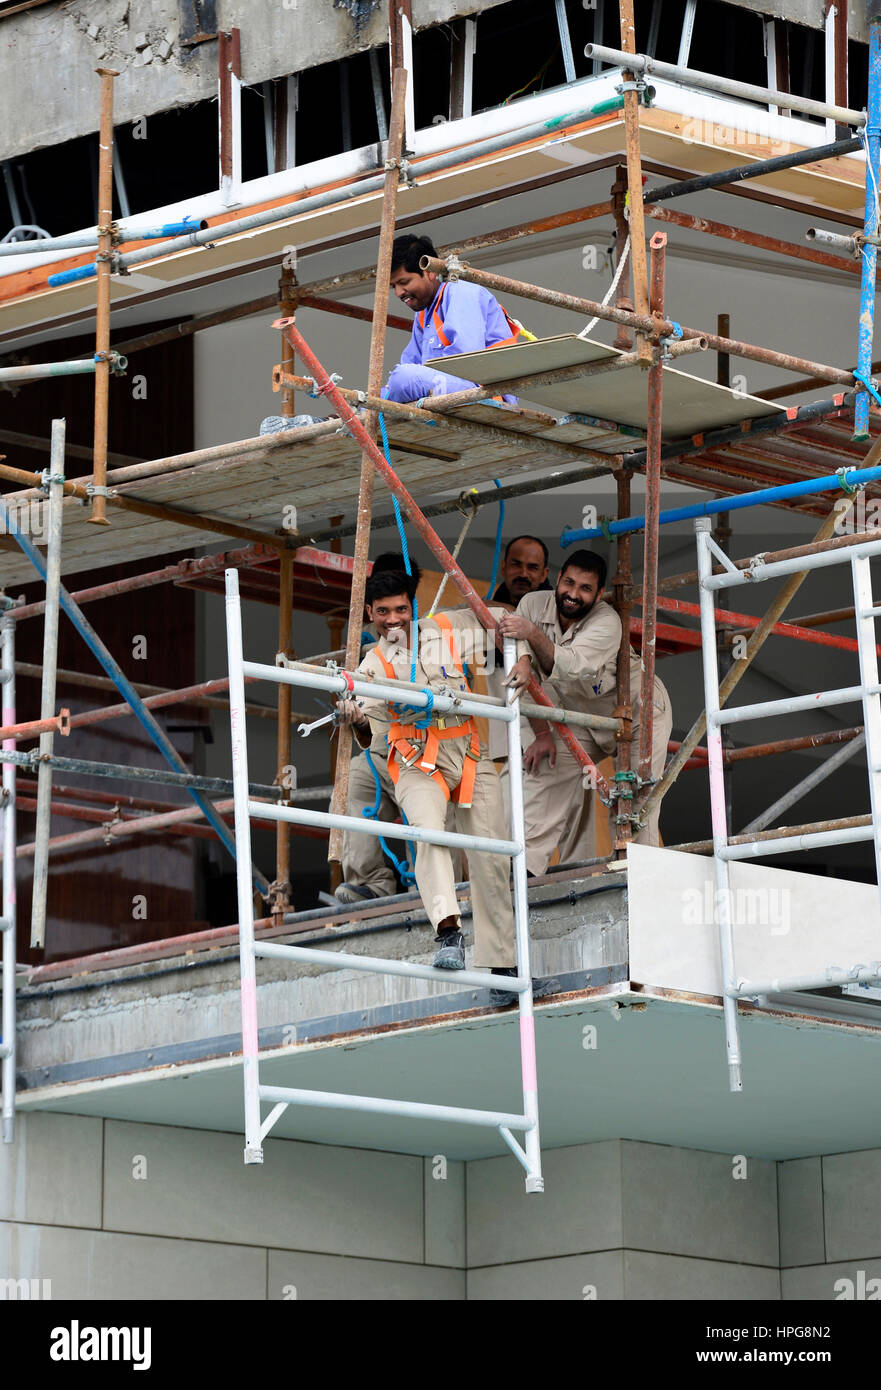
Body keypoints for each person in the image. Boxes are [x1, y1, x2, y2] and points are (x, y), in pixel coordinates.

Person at [334, 566, 532, 999]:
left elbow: (498, 622)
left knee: (491, 855)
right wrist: (354, 721)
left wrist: (521, 653)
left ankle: (502, 968)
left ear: (413, 605)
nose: (392, 620)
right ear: (369, 613)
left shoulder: (448, 626)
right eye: (382, 612)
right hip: (414, 762)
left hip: (468, 752)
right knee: (429, 835)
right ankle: (448, 932)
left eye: (400, 609)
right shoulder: (372, 665)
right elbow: (369, 731)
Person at [499, 549, 672, 876]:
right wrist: (540, 732)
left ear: (600, 593)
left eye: (585, 589)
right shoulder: (533, 605)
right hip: (580, 714)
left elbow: (570, 666)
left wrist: (531, 635)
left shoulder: (608, 621)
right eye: (569, 583)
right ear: (558, 578)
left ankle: (638, 878)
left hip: (636, 711)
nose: (573, 594)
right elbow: (521, 659)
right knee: (544, 770)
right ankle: (521, 870)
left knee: (636, 799)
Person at [383, 233, 526, 405]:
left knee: (402, 379)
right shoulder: (423, 315)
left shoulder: (461, 292)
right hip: (451, 387)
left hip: (484, 392)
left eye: (403, 282)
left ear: (428, 272)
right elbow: (410, 364)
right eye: (394, 287)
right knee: (370, 398)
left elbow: (466, 363)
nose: (398, 292)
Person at [491, 535, 553, 608]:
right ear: (503, 568)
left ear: (543, 574)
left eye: (532, 568)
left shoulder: (556, 611)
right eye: (516, 565)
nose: (523, 574)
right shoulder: (489, 603)